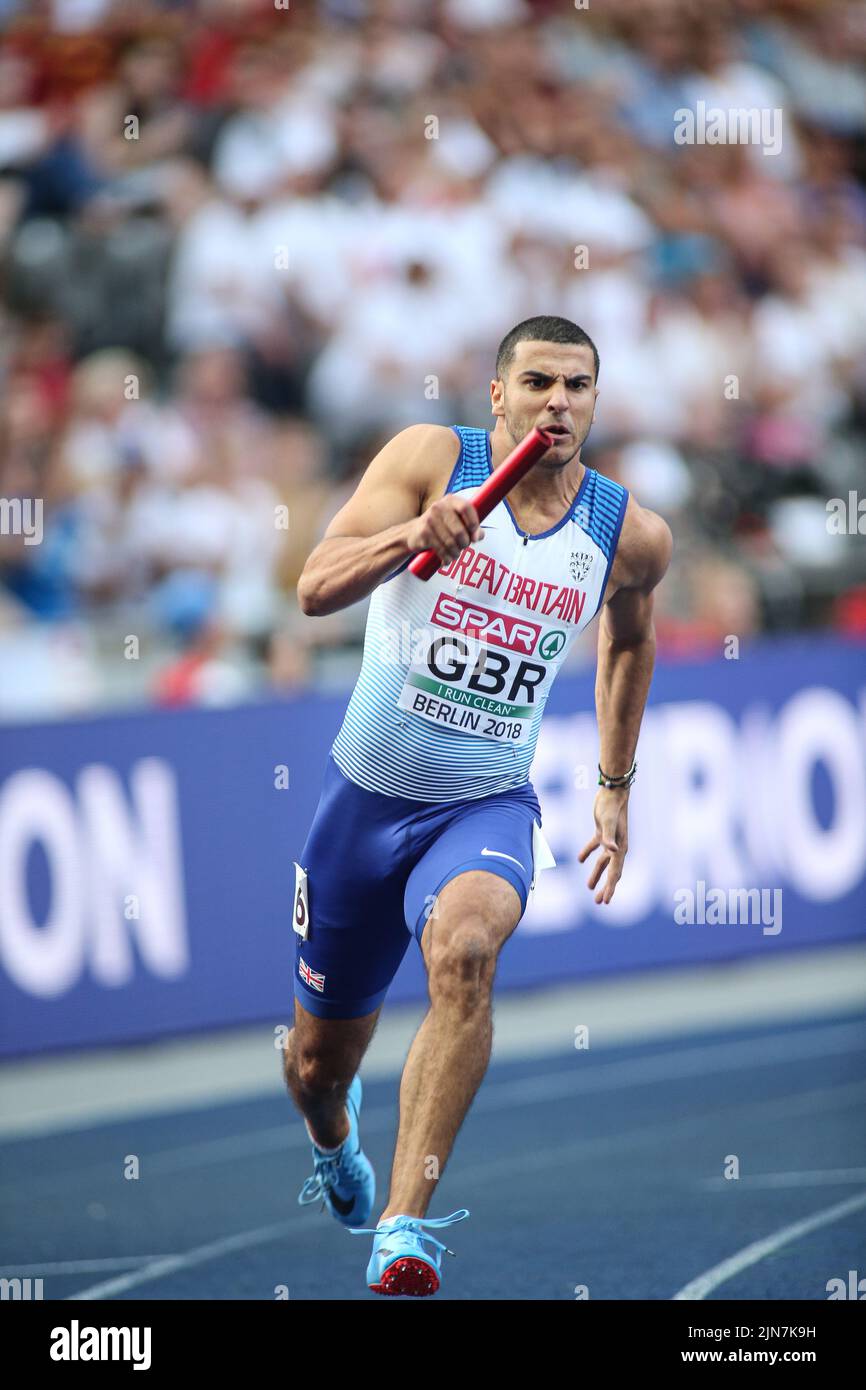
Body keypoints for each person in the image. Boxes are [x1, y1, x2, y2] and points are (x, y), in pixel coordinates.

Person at [283, 315, 672, 1296]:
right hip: (360, 810)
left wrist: (613, 785)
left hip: (482, 807)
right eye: (537, 381)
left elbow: (628, 643)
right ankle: (335, 1144)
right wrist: (411, 534)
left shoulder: (625, 533)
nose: (557, 402)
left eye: (576, 385)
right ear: (495, 395)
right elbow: (313, 587)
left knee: (465, 953)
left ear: (594, 399)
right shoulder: (428, 458)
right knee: (315, 1065)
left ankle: (403, 1224)